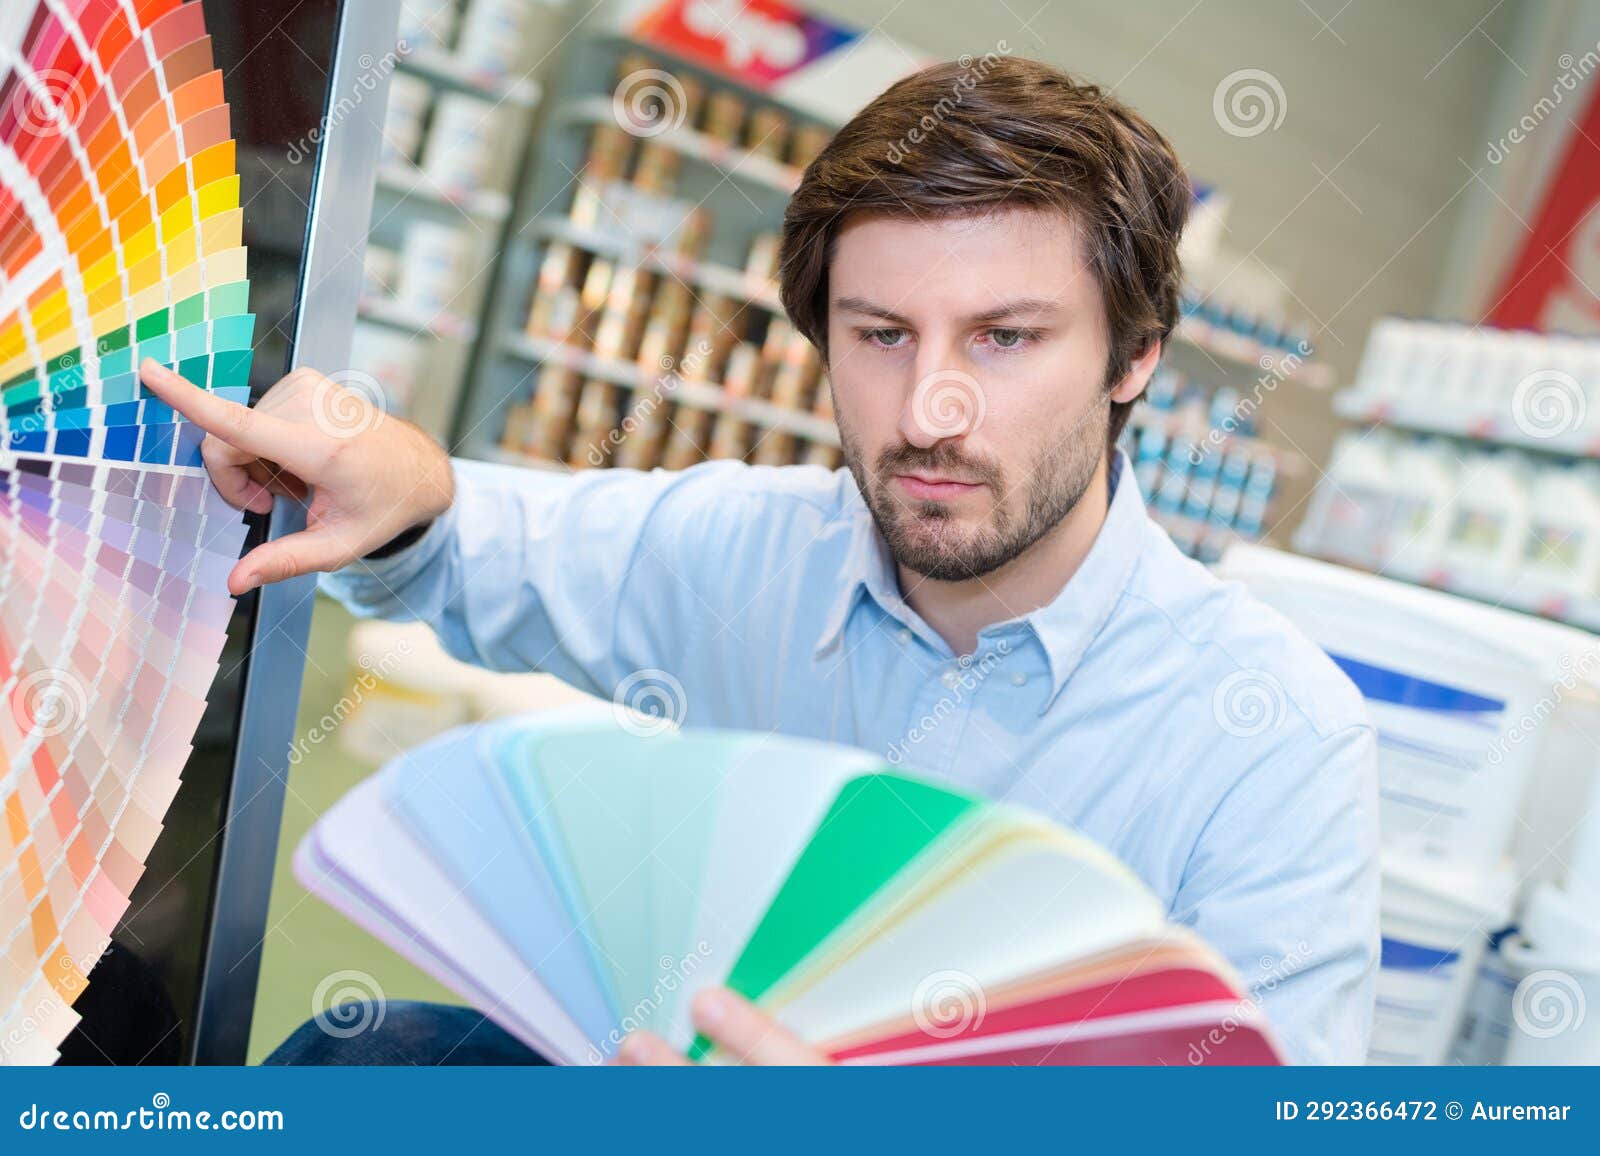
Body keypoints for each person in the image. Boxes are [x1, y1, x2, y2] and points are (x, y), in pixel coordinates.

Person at [143, 56, 1379, 1066]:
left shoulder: (1268, 737)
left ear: (1133, 358)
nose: (930, 406)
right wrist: (399, 483)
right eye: (881, 334)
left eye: (1005, 338)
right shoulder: (751, 549)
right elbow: (464, 540)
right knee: (374, 1062)